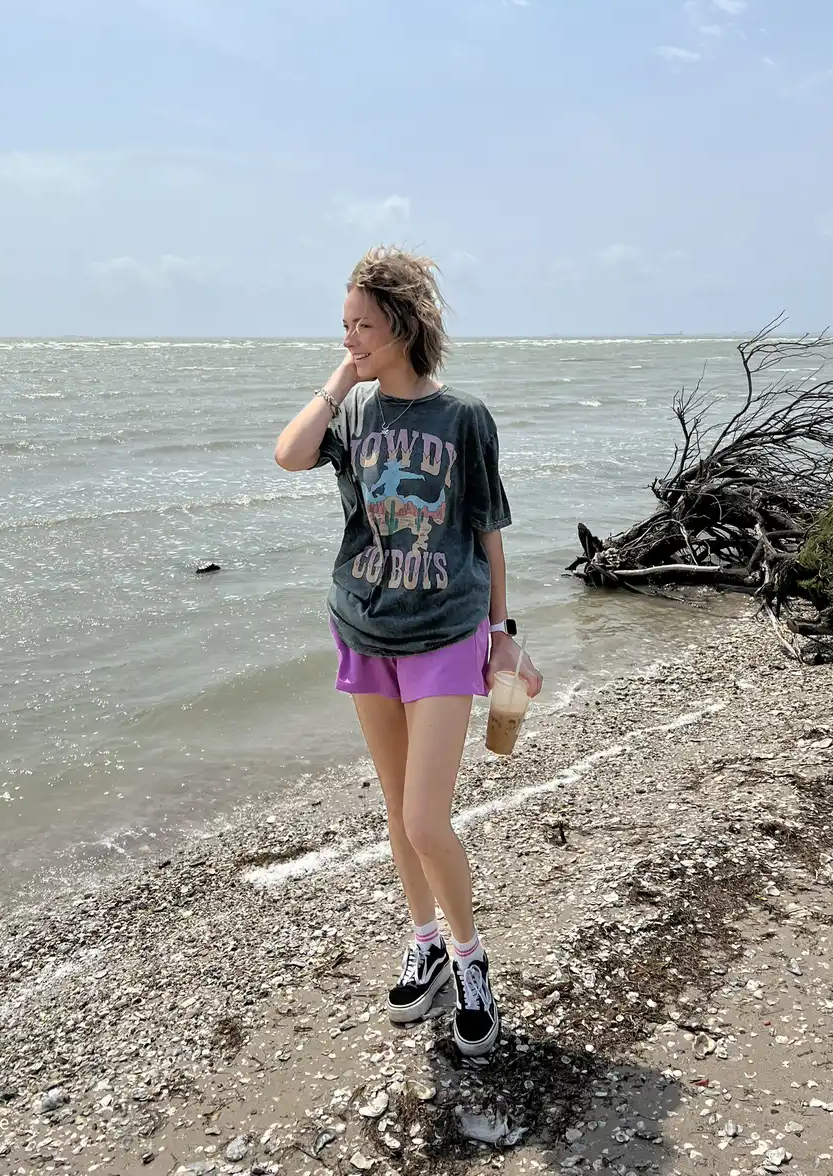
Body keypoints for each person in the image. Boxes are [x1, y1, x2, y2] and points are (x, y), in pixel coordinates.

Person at [275, 245, 542, 1058]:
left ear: (401, 324)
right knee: (397, 811)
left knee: (427, 818)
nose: (349, 336)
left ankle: (469, 960)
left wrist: (503, 636)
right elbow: (289, 453)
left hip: (444, 635)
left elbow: (486, 534)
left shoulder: (463, 418)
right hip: (364, 628)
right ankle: (423, 942)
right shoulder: (354, 412)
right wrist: (341, 377)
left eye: (362, 324)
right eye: (344, 324)